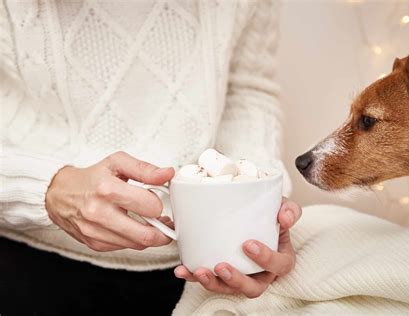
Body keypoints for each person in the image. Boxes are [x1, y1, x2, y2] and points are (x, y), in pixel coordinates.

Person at [0, 0, 302, 314]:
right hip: (25, 265)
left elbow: (248, 86)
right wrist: (45, 188)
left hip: (199, 277)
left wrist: (255, 208)